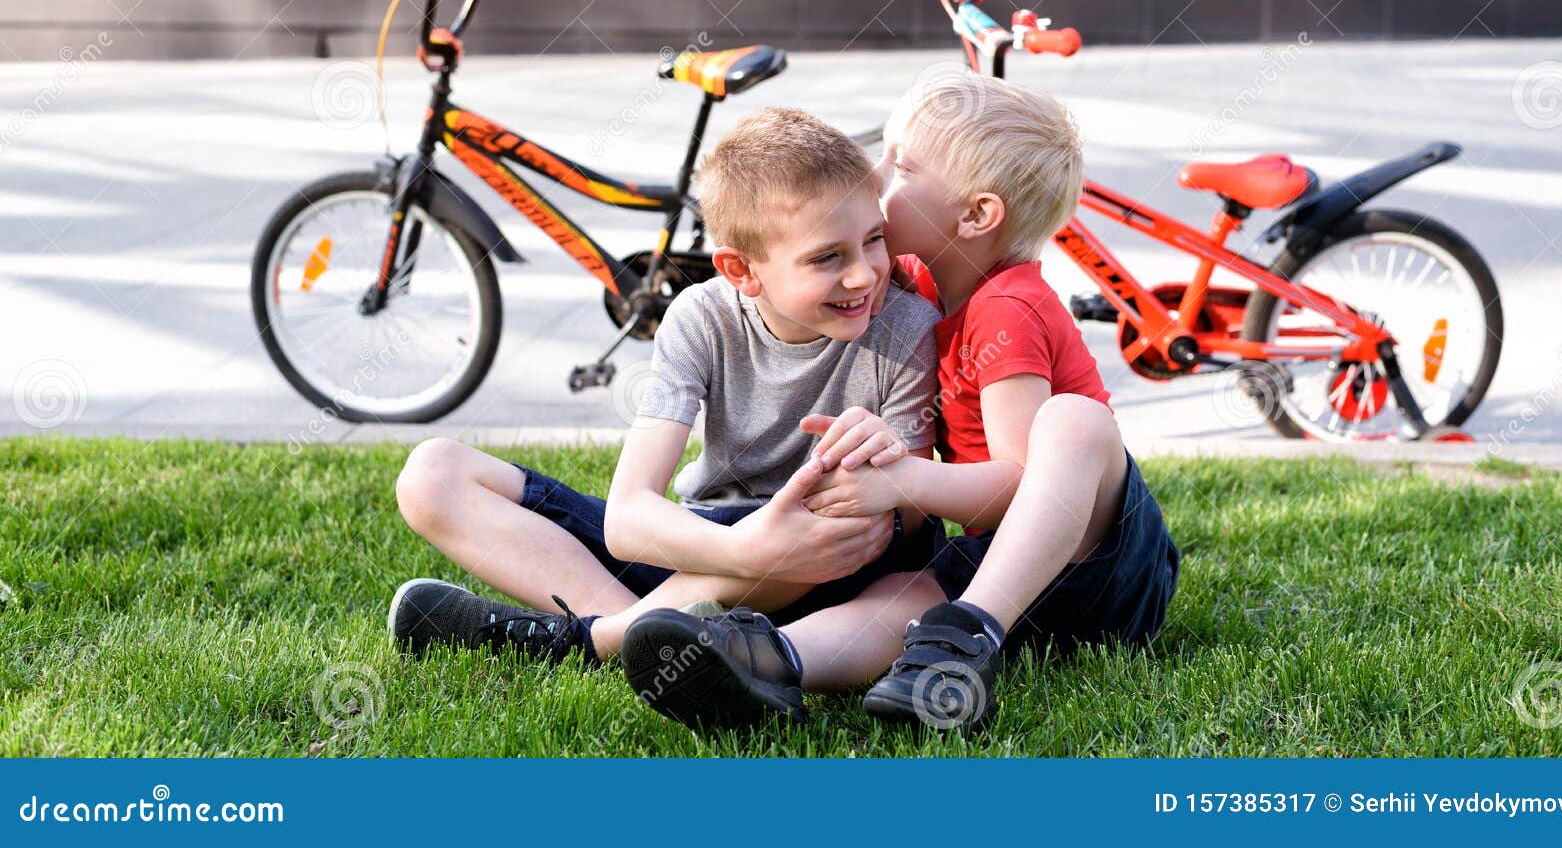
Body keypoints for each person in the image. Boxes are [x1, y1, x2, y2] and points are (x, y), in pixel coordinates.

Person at [621, 74, 1178, 732]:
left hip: (1103, 565)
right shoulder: (912, 280)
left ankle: (971, 633)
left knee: (1074, 422)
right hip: (1000, 565)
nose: (875, 170)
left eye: (900, 162)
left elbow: (1023, 490)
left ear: (975, 216)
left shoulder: (1008, 306)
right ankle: (771, 661)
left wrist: (904, 479)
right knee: (899, 599)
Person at [387, 108, 946, 725]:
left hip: (835, 562)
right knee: (431, 474)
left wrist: (865, 478)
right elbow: (629, 518)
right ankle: (666, 637)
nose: (863, 273)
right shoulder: (701, 317)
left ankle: (587, 640)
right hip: (709, 543)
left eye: (873, 239)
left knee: (862, 547)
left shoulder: (907, 325)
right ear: (742, 270)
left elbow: (906, 515)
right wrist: (746, 547)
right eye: (825, 258)